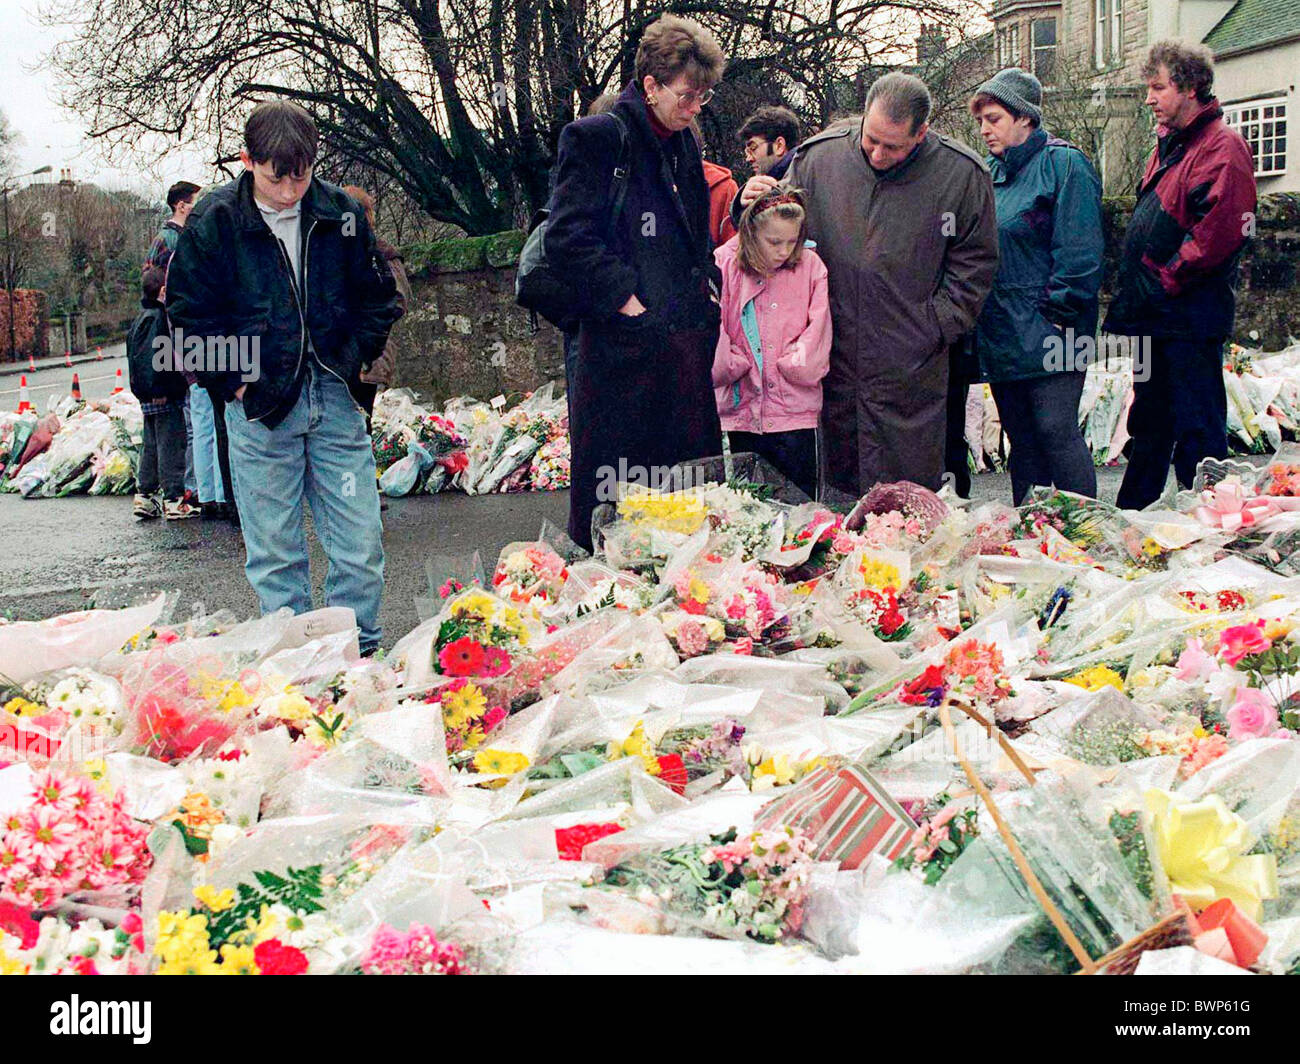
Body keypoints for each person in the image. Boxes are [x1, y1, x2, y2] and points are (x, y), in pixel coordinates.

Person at [166, 100, 403, 654]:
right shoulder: (215, 219)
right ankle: (297, 665)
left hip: (335, 396)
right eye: (278, 176)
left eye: (303, 174)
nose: (292, 189)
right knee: (275, 550)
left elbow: (378, 294)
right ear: (248, 160)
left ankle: (361, 652)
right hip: (260, 407)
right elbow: (189, 316)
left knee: (359, 543)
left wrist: (358, 361)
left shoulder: (340, 210)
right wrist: (237, 382)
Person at [736, 72, 999, 499]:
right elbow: (774, 228)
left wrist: (934, 326)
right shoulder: (821, 159)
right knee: (837, 493)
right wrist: (746, 204)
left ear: (921, 133)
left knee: (908, 501)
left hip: (910, 364)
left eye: (892, 146)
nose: (876, 153)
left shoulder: (961, 175)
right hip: (834, 356)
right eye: (870, 139)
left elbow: (977, 263)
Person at [546, 14, 727, 552]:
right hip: (621, 357)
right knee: (619, 504)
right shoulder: (597, 138)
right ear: (650, 85)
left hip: (684, 351)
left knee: (689, 506)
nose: (696, 108)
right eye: (688, 95)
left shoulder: (682, 142)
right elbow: (567, 239)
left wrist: (707, 284)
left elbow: (696, 233)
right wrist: (628, 302)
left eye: (704, 96)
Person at [1105, 41, 1256, 511]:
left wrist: (1165, 280)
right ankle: (1133, 519)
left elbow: (1222, 232)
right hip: (1157, 315)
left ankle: (1212, 524)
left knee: (1197, 428)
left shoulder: (1222, 147)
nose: (1148, 98)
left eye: (1157, 87)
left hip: (1188, 316)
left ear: (1190, 88)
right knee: (1148, 422)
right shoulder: (1170, 144)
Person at [970, 68, 1103, 505]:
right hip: (1006, 331)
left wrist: (1057, 316)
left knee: (1056, 430)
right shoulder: (989, 174)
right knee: (1022, 440)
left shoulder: (1064, 164)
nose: (985, 129)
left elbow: (1080, 250)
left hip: (1057, 329)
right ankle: (1033, 536)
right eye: (982, 121)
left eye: (994, 118)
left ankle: (1084, 531)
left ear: (1024, 118)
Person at [712, 187, 830, 500]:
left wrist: (794, 365)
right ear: (751, 233)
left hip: (794, 404)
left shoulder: (810, 265)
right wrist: (730, 363)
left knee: (800, 500)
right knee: (748, 502)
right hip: (742, 405)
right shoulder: (725, 263)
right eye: (774, 242)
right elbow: (714, 322)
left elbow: (819, 326)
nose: (783, 251)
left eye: (792, 241)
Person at [146, 180, 204, 510]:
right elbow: (152, 282)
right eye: (194, 202)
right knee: (185, 417)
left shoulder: (182, 237)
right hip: (176, 334)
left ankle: (184, 486)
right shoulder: (167, 239)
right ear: (181, 205)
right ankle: (183, 489)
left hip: (182, 331)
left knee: (188, 417)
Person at [127, 266, 197, 521]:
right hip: (163, 393)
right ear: (163, 291)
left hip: (147, 395)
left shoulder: (140, 318)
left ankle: (144, 494)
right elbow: (155, 358)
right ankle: (173, 499)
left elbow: (137, 360)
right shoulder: (158, 319)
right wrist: (162, 388)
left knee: (151, 446)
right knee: (171, 445)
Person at [340, 186, 414, 417]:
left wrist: (367, 329)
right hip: (340, 357)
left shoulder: (380, 253)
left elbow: (398, 301)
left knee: (361, 422)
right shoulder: (336, 252)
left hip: (368, 356)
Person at [740, 105, 800, 180]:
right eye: (747, 152)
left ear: (779, 146)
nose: (748, 159)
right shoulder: (803, 176)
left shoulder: (797, 183)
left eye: (753, 147)